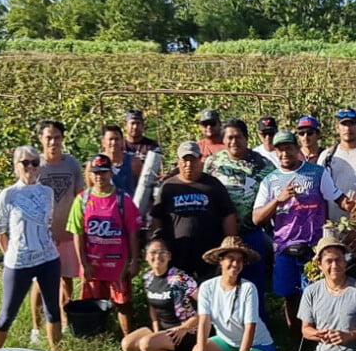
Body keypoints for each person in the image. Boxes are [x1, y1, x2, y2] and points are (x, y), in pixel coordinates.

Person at [252, 130, 342, 338]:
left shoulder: (317, 173)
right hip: (284, 247)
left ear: (296, 148)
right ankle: (296, 340)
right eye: (280, 149)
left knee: (318, 294)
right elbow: (257, 218)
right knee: (290, 296)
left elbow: (338, 198)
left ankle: (321, 337)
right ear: (275, 152)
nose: (285, 153)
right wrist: (278, 200)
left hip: (313, 248)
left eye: (289, 148)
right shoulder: (270, 181)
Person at [0, 146, 63, 351]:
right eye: (25, 163)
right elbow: (0, 229)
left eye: (34, 163)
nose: (30, 167)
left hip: (48, 259)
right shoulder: (8, 195)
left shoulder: (47, 192)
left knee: (53, 310)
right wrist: (11, 254)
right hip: (19, 262)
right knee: (7, 314)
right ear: (16, 166)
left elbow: (47, 222)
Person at [69, 154, 142, 336]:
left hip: (118, 264)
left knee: (123, 304)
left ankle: (128, 340)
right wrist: (83, 264)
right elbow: (77, 233)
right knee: (93, 304)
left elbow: (133, 232)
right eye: (96, 173)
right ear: (91, 175)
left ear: (110, 173)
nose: (100, 177)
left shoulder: (122, 200)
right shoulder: (82, 200)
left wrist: (133, 260)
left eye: (103, 172)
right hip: (93, 265)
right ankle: (97, 338)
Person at [188, 236, 276, 351]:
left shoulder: (248, 288)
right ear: (221, 260)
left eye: (240, 260)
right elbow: (204, 323)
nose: (235, 264)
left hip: (257, 344)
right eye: (230, 258)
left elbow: (250, 327)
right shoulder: (207, 287)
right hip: (226, 341)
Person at [149, 141, 238, 283]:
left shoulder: (213, 185)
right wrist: (157, 243)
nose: (188, 164)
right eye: (185, 160)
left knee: (209, 292)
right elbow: (157, 217)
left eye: (193, 160)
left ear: (200, 160)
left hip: (209, 252)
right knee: (180, 295)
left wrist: (230, 246)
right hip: (177, 252)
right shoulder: (168, 187)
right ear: (179, 162)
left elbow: (228, 214)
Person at [204, 119, 275, 292]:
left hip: (252, 233)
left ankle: (256, 318)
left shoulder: (264, 165)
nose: (234, 142)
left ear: (246, 138)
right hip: (221, 236)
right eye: (229, 137)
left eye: (238, 137)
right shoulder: (213, 163)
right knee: (225, 285)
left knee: (254, 285)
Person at [30, 120, 83, 344]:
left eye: (57, 137)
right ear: (41, 139)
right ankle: (36, 328)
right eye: (48, 137)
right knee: (40, 283)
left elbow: (80, 194)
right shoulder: (35, 165)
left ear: (63, 138)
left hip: (68, 234)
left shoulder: (71, 163)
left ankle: (63, 320)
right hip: (44, 236)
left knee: (66, 279)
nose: (53, 142)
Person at [121, 237, 199, 351]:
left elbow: (207, 306)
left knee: (147, 344)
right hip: (163, 329)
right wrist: (156, 329)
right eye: (153, 252)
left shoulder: (180, 278)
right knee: (127, 344)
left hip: (183, 332)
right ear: (146, 257)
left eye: (162, 252)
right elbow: (153, 307)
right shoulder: (148, 278)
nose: (157, 256)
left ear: (169, 256)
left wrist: (185, 327)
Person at [316, 107, 356, 221]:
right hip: (332, 223)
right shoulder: (327, 156)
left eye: (352, 124)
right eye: (344, 124)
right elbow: (319, 189)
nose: (348, 128)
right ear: (337, 128)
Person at [100, 124, 141, 195]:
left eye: (117, 139)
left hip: (129, 204)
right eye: (110, 139)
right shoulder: (95, 164)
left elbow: (141, 188)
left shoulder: (133, 162)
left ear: (122, 141)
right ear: (103, 142)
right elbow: (92, 191)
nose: (114, 142)